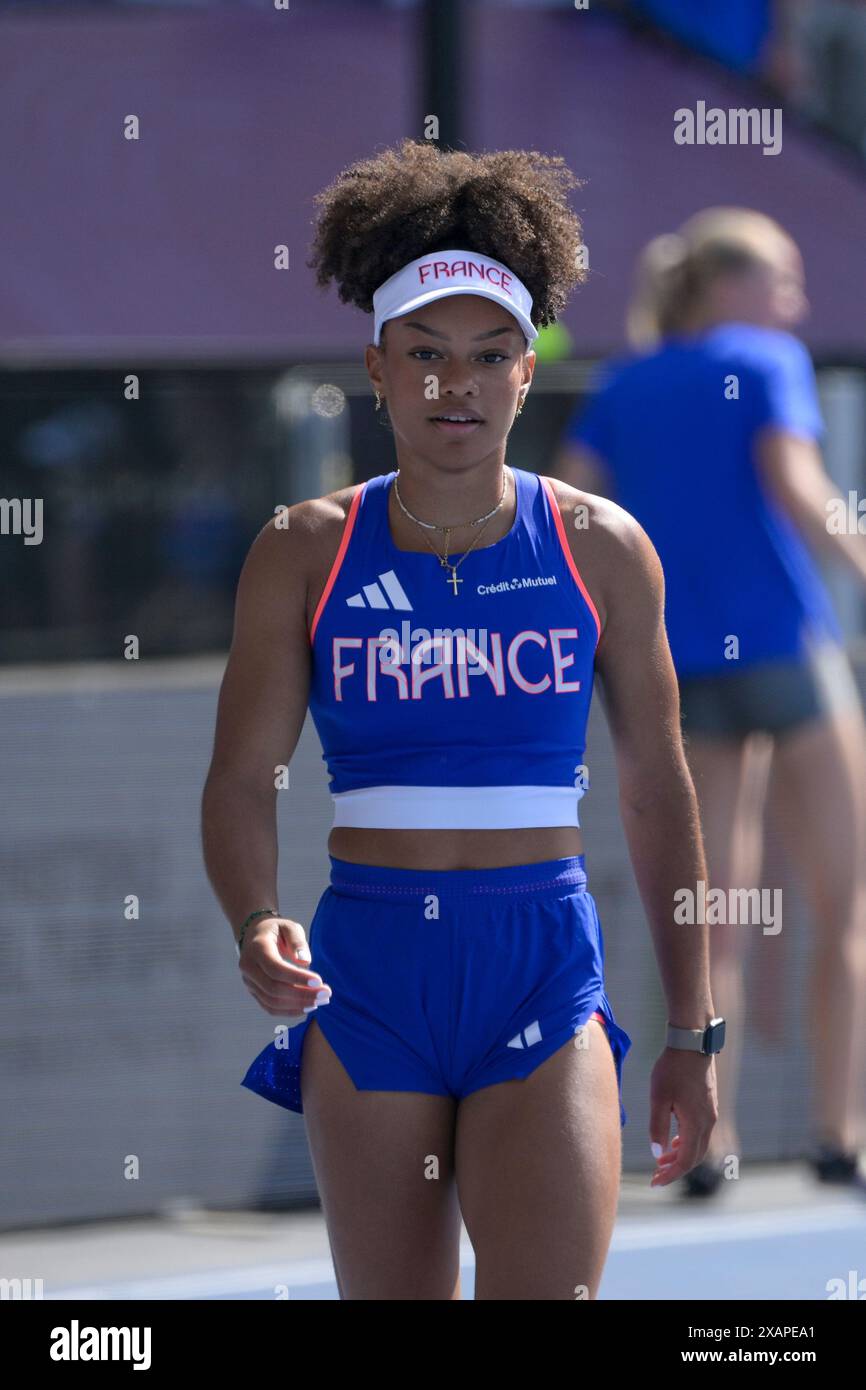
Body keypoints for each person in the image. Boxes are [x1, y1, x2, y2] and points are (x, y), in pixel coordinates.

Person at [202, 139, 722, 1300]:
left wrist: (693, 1032)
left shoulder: (600, 546)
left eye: (491, 357)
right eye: (427, 357)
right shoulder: (301, 548)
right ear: (376, 367)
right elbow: (242, 778)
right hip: (368, 979)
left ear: (527, 376)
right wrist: (253, 920)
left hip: (537, 973)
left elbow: (656, 789)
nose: (459, 385)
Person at [554, 207, 866, 1197]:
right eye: (781, 280)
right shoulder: (764, 360)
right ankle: (837, 1135)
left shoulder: (622, 381)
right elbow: (798, 485)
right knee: (847, 905)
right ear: (730, 286)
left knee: (708, 913)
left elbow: (567, 506)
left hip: (677, 670)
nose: (796, 302)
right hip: (783, 651)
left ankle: (707, 1147)